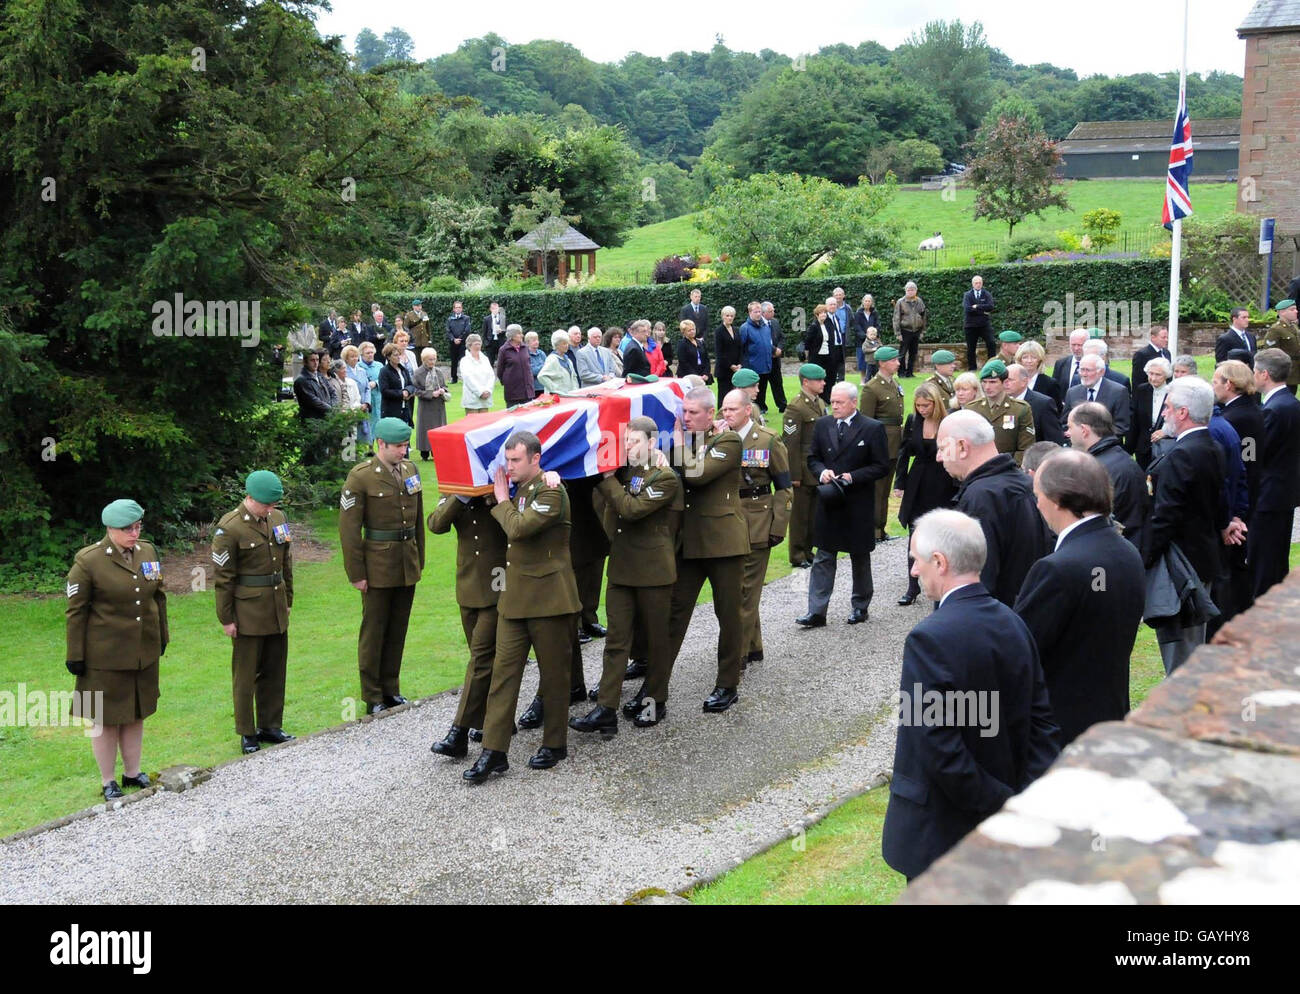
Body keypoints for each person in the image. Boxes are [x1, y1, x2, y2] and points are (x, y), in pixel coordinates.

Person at [881, 509, 1060, 882]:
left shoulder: (928, 639)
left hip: (943, 832)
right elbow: (1042, 722)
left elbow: (936, 747)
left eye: (916, 561)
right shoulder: (1014, 623)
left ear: (940, 562)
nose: (914, 572)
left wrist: (998, 804)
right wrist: (1023, 798)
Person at [463, 431, 581, 782]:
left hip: (550, 600)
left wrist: (501, 499)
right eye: (507, 460)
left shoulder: (550, 491)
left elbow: (519, 529)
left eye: (516, 460)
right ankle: (494, 750)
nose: (509, 467)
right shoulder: (521, 491)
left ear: (535, 458)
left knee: (554, 674)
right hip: (515, 601)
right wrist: (497, 497)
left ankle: (555, 742)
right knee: (504, 675)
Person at [1014, 450, 1145, 747]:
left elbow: (1021, 650)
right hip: (1109, 717)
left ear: (1058, 499)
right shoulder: (1127, 552)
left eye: (1039, 494)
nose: (1037, 503)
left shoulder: (1057, 568)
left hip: (1061, 731)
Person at [572, 417, 681, 734]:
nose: (627, 446)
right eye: (625, 441)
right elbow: (593, 491)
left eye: (633, 441)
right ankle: (606, 708)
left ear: (651, 443)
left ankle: (654, 701)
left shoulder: (665, 477)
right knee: (616, 641)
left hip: (653, 571)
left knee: (656, 640)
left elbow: (631, 509)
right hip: (622, 568)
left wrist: (608, 480)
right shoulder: (623, 471)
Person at [65, 499, 168, 801]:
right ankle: (108, 780)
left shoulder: (148, 551)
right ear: (110, 529)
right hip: (104, 656)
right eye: (127, 529)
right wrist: (76, 655)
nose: (134, 533)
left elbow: (158, 597)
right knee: (104, 718)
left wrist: (162, 635)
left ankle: (133, 772)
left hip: (142, 651)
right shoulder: (89, 561)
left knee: (137, 712)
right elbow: (76, 611)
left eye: (137, 527)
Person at [659, 387, 751, 715]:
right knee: (674, 612)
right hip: (691, 541)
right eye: (684, 413)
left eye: (693, 413)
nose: (686, 419)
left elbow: (697, 475)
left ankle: (727, 684)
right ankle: (656, 686)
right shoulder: (691, 442)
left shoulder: (728, 441)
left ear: (710, 414)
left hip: (723, 542)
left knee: (727, 615)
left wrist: (681, 441)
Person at [339, 417, 426, 714]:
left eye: (406, 445)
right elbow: (349, 531)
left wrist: (419, 560)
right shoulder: (361, 477)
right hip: (377, 566)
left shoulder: (411, 470)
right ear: (381, 444)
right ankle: (372, 695)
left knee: (398, 629)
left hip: (406, 562)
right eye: (398, 446)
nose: (404, 451)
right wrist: (357, 573)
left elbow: (417, 521)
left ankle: (391, 687)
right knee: (374, 631)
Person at [1145, 376, 1227, 674]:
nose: (1163, 412)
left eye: (1167, 407)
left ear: (1182, 412)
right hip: (1200, 559)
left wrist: (1144, 557)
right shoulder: (1211, 446)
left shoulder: (1182, 455)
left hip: (1180, 567)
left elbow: (1165, 517)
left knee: (1181, 654)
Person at [212, 471, 295, 755]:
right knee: (246, 674)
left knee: (275, 669)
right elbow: (223, 578)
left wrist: (288, 599)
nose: (270, 509)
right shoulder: (230, 528)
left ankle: (271, 725)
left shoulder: (278, 519)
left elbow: (287, 562)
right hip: (247, 610)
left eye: (273, 504)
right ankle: (247, 732)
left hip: (275, 605)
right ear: (250, 498)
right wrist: (227, 618)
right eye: (265, 504)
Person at [796, 381, 891, 628]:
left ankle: (860, 606)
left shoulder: (872, 428)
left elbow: (881, 465)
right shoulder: (823, 424)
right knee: (824, 556)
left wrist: (853, 477)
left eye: (839, 402)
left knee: (859, 556)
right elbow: (813, 458)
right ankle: (816, 611)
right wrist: (822, 472)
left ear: (853, 402)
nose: (834, 406)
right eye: (832, 402)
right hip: (829, 500)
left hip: (857, 502)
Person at [938, 410, 1052, 607]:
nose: (939, 457)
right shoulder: (1024, 483)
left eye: (942, 448)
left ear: (962, 447)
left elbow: (975, 583)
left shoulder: (981, 499)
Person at [427, 487, 508, 759]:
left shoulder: (501, 487)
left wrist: (497, 497)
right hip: (468, 587)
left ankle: (458, 732)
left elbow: (516, 527)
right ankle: (495, 719)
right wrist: (460, 496)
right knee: (484, 660)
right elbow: (436, 524)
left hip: (499, 586)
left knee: (481, 659)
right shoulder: (455, 490)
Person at [721, 388, 791, 667]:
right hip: (727, 521)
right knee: (740, 590)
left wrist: (779, 525)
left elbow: (784, 488)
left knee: (745, 593)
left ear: (747, 410)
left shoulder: (769, 440)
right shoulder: (720, 439)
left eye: (732, 409)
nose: (726, 414)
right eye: (724, 410)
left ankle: (736, 656)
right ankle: (753, 646)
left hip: (757, 522)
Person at [1211, 359, 1265, 630]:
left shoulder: (1238, 417)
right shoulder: (1248, 411)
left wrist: (1238, 513)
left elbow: (1247, 464)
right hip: (1246, 500)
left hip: (1241, 503)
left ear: (1229, 385)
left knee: (1233, 567)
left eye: (1216, 381)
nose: (1213, 386)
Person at [893, 383, 957, 606]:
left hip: (943, 481)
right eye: (918, 405)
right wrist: (899, 483)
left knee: (942, 536)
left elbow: (955, 453)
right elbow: (904, 453)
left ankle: (943, 585)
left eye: (926, 405)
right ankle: (912, 587)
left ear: (935, 403)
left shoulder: (949, 421)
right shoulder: (913, 421)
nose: (922, 410)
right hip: (918, 481)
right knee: (915, 535)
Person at [1064, 402, 1148, 553]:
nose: (1067, 433)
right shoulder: (1119, 459)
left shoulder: (1097, 470)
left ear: (1084, 430)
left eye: (1070, 427)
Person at [1249, 349, 1300, 597]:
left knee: (1264, 560)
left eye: (1255, 372)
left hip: (1267, 494)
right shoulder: (1292, 404)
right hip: (1284, 492)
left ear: (1264, 374)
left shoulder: (1272, 409)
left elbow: (1257, 454)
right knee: (1277, 557)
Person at [783, 364, 828, 569]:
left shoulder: (819, 403)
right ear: (806, 382)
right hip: (802, 468)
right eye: (819, 380)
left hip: (817, 467)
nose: (823, 383)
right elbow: (790, 443)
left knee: (814, 514)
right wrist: (794, 474)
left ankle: (809, 550)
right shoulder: (796, 407)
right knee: (800, 515)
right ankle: (798, 553)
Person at [858, 345, 905, 541]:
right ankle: (873, 530)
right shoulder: (872, 388)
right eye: (894, 360)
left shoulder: (893, 383)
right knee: (877, 489)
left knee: (885, 490)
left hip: (894, 441)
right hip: (880, 443)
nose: (898, 363)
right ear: (882, 363)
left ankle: (881, 528)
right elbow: (866, 421)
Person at [966, 360, 1036, 464]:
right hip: (978, 469)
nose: (987, 387)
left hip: (1008, 469)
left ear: (1005, 382)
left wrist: (1009, 469)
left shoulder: (1020, 409)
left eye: (993, 382)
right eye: (984, 382)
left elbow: (1025, 448)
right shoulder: (972, 409)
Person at [1062, 355, 1130, 442]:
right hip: (1078, 447)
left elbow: (1121, 426)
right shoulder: (1072, 393)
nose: (1084, 374)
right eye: (1082, 369)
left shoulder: (1118, 392)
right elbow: (1065, 423)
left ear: (1101, 372)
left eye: (1088, 370)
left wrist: (1094, 438)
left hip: (1106, 448)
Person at [1005, 363, 1066, 447]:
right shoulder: (1001, 402)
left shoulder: (1043, 404)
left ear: (1024, 381)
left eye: (1010, 380)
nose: (1006, 383)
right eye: (1004, 380)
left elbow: (1054, 440)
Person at [739, 301, 782, 414]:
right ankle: (754, 412)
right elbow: (741, 348)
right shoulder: (745, 328)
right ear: (750, 312)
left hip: (766, 364)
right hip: (752, 365)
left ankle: (761, 411)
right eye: (755, 312)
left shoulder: (765, 327)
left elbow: (767, 344)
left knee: (762, 390)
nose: (758, 314)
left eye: (759, 312)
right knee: (753, 392)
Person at [1132, 356, 1173, 469]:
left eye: (1158, 375)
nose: (1153, 378)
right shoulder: (1141, 390)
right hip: (1143, 449)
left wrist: (1167, 431)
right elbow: (1134, 420)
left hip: (1165, 449)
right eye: (1151, 374)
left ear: (1166, 375)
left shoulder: (1173, 392)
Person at [413, 347, 449, 458]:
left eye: (434, 359)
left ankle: (436, 451)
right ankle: (424, 452)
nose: (432, 362)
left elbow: (444, 385)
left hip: (438, 405)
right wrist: (430, 394)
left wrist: (443, 390)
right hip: (426, 406)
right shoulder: (418, 373)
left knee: (438, 428)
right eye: (430, 359)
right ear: (424, 359)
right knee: (425, 428)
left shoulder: (438, 371)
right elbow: (415, 390)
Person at [1262, 298, 1300, 394]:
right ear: (1282, 312)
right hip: (1284, 373)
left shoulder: (1294, 327)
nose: (1296, 311)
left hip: (1295, 372)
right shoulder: (1275, 330)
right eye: (1292, 309)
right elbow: (1271, 354)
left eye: (1295, 309)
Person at [805, 303, 842, 401]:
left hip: (828, 355)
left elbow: (831, 340)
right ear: (817, 315)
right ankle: (816, 397)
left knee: (830, 377)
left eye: (825, 313)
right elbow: (808, 342)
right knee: (817, 377)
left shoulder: (828, 324)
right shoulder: (814, 326)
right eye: (821, 313)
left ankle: (827, 398)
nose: (824, 315)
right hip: (817, 356)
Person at [341, 344, 374, 449]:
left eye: (356, 356)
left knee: (364, 433)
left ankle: (365, 452)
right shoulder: (344, 371)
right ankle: (350, 455)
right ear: (346, 358)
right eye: (352, 356)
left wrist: (367, 403)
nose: (355, 358)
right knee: (351, 432)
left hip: (364, 405)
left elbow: (367, 388)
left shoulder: (362, 371)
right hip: (352, 405)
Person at [494, 325, 536, 407]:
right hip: (513, 392)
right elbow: (500, 370)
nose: (522, 335)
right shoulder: (504, 350)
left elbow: (528, 366)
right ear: (512, 336)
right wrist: (507, 382)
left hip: (527, 391)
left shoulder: (525, 348)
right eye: (519, 333)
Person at [961, 275, 996, 371]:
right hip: (970, 325)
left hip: (984, 325)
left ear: (982, 283)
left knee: (991, 343)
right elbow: (967, 309)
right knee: (971, 348)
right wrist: (982, 310)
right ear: (972, 284)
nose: (978, 284)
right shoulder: (967, 295)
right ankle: (972, 368)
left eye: (980, 282)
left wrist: (977, 306)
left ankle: (991, 367)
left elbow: (991, 306)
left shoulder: (986, 294)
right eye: (976, 283)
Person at [1015, 340, 1060, 412]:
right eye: (1025, 357)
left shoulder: (1050, 383)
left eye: (1033, 357)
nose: (1029, 361)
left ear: (1039, 360)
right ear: (1020, 360)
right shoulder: (1012, 381)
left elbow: (1057, 410)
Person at [893, 281, 927, 378]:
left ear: (916, 291)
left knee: (913, 353)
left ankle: (910, 372)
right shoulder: (900, 302)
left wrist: (923, 332)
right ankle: (901, 372)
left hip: (916, 331)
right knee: (902, 353)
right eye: (908, 290)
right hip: (905, 330)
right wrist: (898, 333)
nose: (910, 291)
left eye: (912, 290)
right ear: (905, 291)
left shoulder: (919, 301)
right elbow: (896, 318)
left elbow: (924, 317)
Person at [760, 302, 788, 411]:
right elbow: (762, 341)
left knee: (777, 383)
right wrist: (773, 349)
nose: (773, 313)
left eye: (773, 310)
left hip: (775, 359)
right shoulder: (759, 324)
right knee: (762, 384)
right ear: (763, 313)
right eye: (770, 311)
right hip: (763, 358)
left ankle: (782, 405)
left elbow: (782, 337)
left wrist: (779, 349)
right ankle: (761, 407)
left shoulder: (775, 322)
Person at [378, 342, 414, 424]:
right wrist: (401, 394)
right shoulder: (384, 371)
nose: (398, 357)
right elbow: (384, 391)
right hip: (391, 410)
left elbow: (411, 385)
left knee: (405, 434)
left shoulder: (403, 370)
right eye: (395, 355)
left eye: (399, 355)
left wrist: (407, 391)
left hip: (405, 408)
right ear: (388, 357)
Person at [459, 333, 496, 412]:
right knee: (472, 423)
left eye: (479, 344)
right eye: (476, 344)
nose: (478, 346)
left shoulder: (485, 359)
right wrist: (480, 392)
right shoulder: (465, 361)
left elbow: (491, 376)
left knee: (485, 423)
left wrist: (488, 390)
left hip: (485, 398)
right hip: (472, 399)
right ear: (469, 345)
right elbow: (468, 379)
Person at [537, 329, 580, 394]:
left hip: (570, 397)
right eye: (564, 344)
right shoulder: (552, 359)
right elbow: (541, 376)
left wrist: (576, 391)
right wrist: (555, 389)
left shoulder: (568, 360)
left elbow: (574, 378)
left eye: (567, 343)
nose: (567, 346)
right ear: (557, 345)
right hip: (557, 398)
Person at [293, 350, 333, 419]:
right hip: (312, 421)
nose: (315, 363)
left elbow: (332, 392)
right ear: (305, 362)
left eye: (317, 360)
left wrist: (334, 407)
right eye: (312, 360)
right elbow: (314, 402)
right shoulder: (301, 381)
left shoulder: (320, 376)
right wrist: (332, 409)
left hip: (326, 418)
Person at [714, 305, 743, 401]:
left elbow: (740, 348)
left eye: (731, 316)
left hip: (736, 369)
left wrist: (739, 364)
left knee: (735, 396)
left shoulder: (736, 330)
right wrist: (730, 365)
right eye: (727, 315)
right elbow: (719, 352)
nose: (729, 318)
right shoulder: (719, 331)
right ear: (722, 316)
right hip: (724, 369)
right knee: (724, 396)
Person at [358, 341, 383, 446]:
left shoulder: (379, 365)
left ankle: (381, 451)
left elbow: (384, 380)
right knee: (367, 427)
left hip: (378, 400)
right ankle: (369, 450)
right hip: (366, 401)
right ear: (362, 354)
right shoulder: (359, 367)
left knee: (380, 427)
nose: (370, 355)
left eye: (372, 352)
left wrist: (376, 383)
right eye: (367, 353)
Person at [1052, 328, 1090, 397]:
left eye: (1079, 345)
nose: (1076, 348)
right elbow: (1054, 389)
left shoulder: (1094, 365)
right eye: (1073, 345)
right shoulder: (1060, 364)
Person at [1131, 324, 1172, 390]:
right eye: (1163, 337)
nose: (1166, 340)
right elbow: (1137, 381)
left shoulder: (1166, 353)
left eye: (1167, 337)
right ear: (1153, 337)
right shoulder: (1142, 354)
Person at [853, 294, 880, 377]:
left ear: (871, 302)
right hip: (861, 341)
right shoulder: (858, 313)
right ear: (863, 302)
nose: (867, 303)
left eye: (869, 301)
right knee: (862, 360)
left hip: (874, 340)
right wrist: (866, 336)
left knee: (873, 360)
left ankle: (873, 378)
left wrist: (874, 334)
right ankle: (863, 379)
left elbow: (878, 325)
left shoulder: (874, 313)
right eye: (866, 301)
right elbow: (856, 326)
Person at [446, 301, 472, 383]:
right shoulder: (450, 319)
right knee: (453, 361)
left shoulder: (466, 318)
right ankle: (454, 378)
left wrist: (460, 339)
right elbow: (448, 331)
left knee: (464, 361)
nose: (458, 309)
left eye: (459, 307)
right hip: (453, 343)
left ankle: (466, 378)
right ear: (454, 309)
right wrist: (453, 339)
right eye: (456, 307)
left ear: (462, 308)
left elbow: (467, 330)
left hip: (463, 343)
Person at [482, 300, 507, 364]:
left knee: (502, 362)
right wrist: (486, 343)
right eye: (493, 308)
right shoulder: (487, 319)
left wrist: (501, 331)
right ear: (490, 309)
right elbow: (484, 332)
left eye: (496, 308)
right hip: (490, 343)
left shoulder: (503, 318)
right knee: (490, 362)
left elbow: (506, 330)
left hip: (500, 342)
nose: (495, 310)